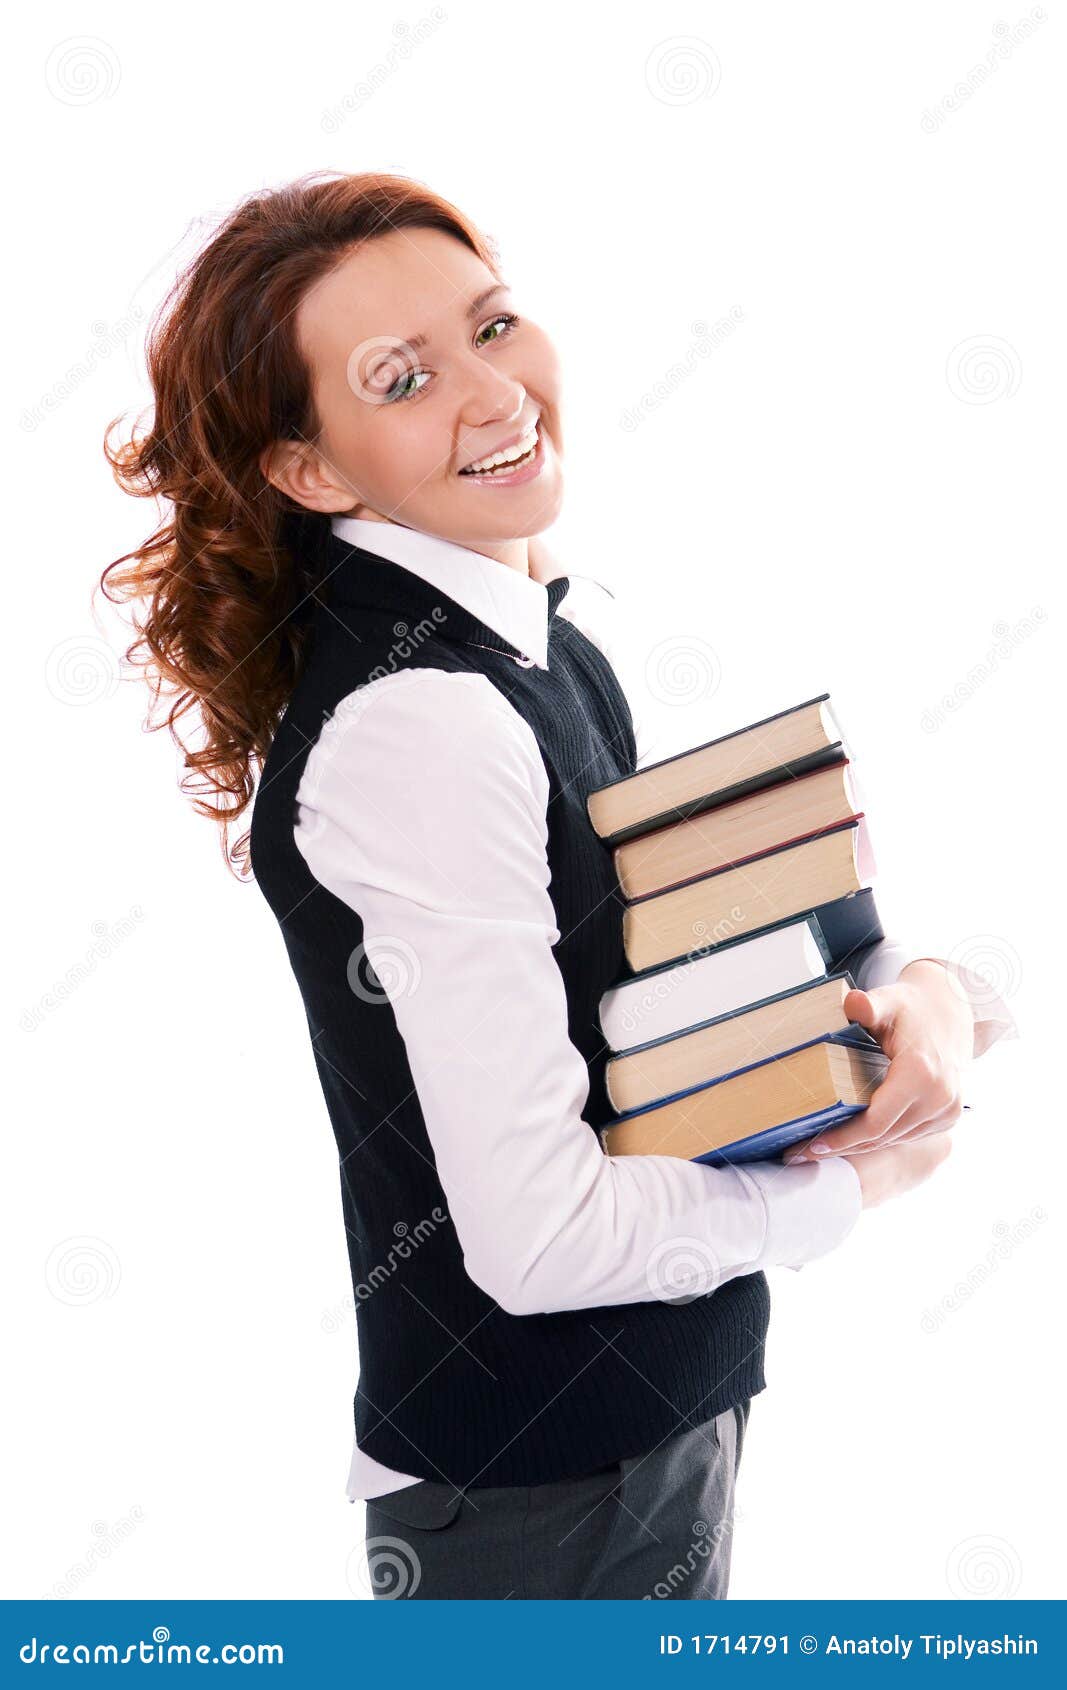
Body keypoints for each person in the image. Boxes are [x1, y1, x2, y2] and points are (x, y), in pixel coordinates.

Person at [100, 171, 1016, 1600]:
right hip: (547, 1491)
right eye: (403, 378)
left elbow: (679, 997)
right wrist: (855, 1191)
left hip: (634, 1440)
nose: (493, 393)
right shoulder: (425, 721)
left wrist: (934, 996)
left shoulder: (532, 646)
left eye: (495, 324)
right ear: (313, 469)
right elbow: (539, 1238)